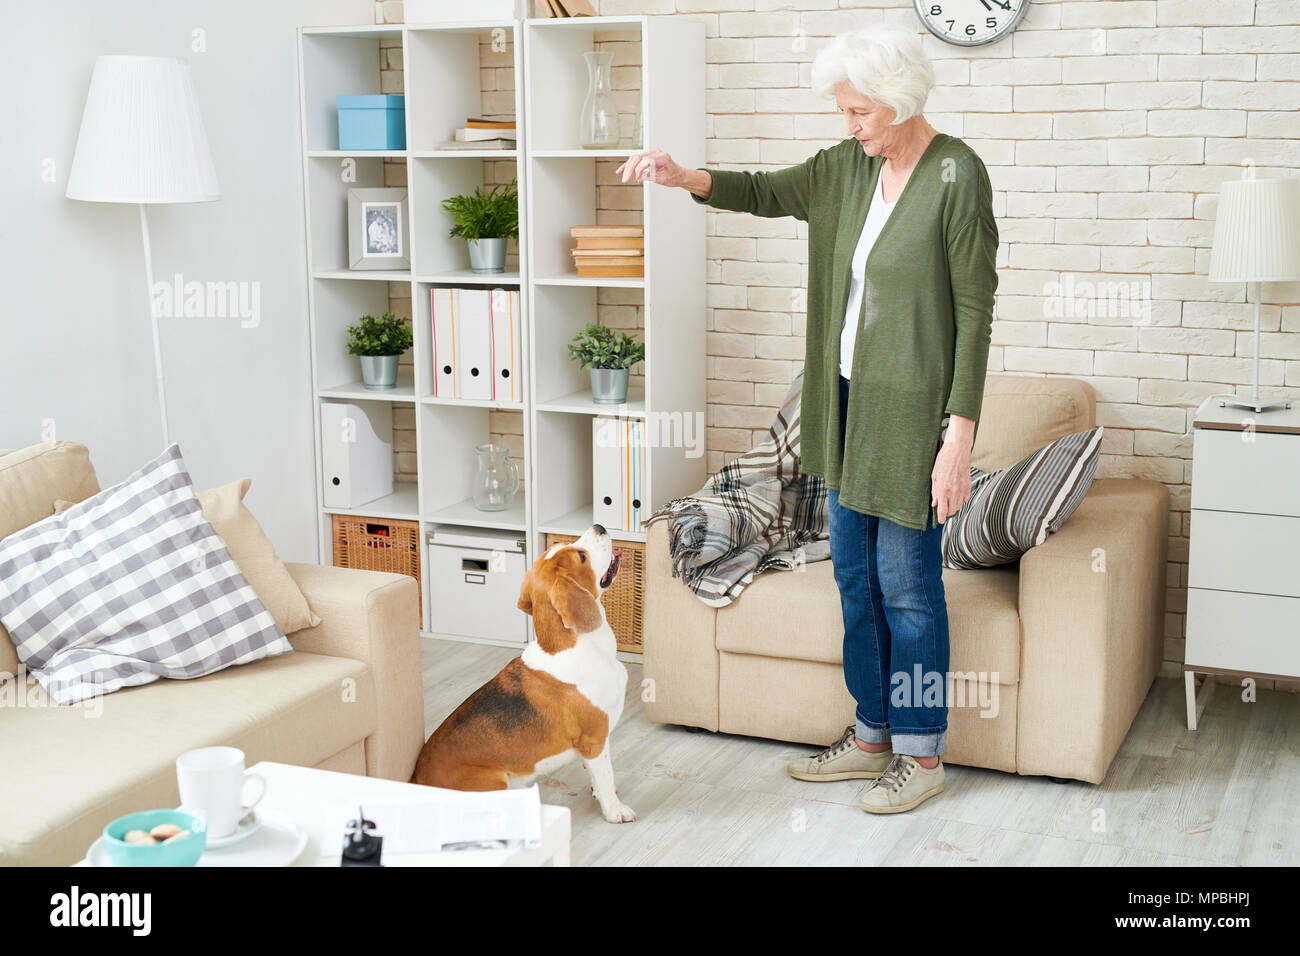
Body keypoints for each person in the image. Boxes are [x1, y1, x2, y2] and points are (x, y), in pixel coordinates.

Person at [616, 24, 998, 814]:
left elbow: (974, 310)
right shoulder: (843, 169)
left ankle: (922, 758)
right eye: (845, 111)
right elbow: (763, 190)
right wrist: (679, 173)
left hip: (912, 415)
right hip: (845, 403)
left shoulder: (957, 174)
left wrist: (958, 435)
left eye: (860, 112)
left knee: (908, 586)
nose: (849, 125)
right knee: (855, 581)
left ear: (897, 102)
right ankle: (871, 737)